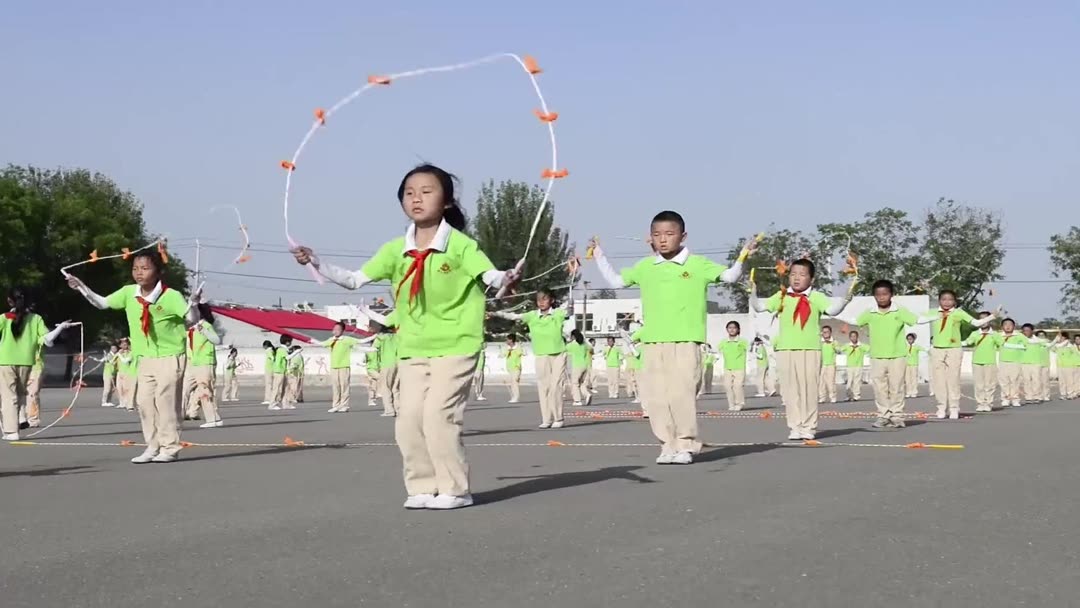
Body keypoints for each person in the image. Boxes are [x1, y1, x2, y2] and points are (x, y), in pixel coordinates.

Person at [291, 163, 519, 510]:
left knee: (438, 416)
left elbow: (489, 275)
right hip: (412, 348)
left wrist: (505, 278)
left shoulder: (461, 246)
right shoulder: (394, 250)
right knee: (409, 418)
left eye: (427, 192)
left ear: (446, 202)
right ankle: (422, 487)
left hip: (455, 344)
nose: (417, 199)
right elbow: (354, 279)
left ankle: (455, 489)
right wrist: (316, 262)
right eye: (409, 193)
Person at [590, 211, 754, 464]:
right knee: (655, 398)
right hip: (653, 342)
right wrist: (599, 255)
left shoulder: (697, 264)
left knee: (681, 395)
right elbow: (616, 282)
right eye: (657, 235)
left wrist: (743, 256)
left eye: (669, 234)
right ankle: (668, 445)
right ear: (651, 238)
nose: (663, 239)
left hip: (686, 340)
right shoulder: (646, 267)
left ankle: (686, 445)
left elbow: (730, 277)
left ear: (683, 236)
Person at [66, 251, 196, 462]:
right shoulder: (129, 293)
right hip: (144, 357)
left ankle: (169, 448)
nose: (139, 273)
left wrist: (195, 305)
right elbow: (102, 303)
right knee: (144, 402)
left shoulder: (171, 296)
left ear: (158, 271)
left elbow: (191, 318)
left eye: (145, 268)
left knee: (165, 402)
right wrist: (81, 287)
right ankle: (152, 447)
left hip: (170, 356)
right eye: (135, 268)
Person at [750, 259, 855, 440]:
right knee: (790, 390)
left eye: (802, 274)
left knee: (808, 389)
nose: (796, 278)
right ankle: (795, 426)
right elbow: (759, 307)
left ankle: (808, 426)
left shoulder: (816, 296)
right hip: (785, 349)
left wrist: (845, 298)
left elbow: (832, 311)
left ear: (811, 279)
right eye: (793, 274)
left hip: (810, 349)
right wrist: (752, 291)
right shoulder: (782, 295)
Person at [491, 288, 573, 429]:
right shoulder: (532, 316)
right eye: (538, 299)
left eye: (544, 299)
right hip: (541, 355)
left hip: (558, 354)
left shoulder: (557, 314)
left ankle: (558, 418)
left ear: (551, 300)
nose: (541, 302)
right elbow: (513, 316)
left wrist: (571, 303)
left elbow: (569, 311)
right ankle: (546, 419)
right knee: (544, 387)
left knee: (556, 386)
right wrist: (495, 313)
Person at [0, 287, 71, 440]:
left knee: (8, 396)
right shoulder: (36, 319)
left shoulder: (4, 318)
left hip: (5, 361)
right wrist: (59, 328)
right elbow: (48, 340)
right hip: (26, 362)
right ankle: (20, 420)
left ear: (9, 300)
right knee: (19, 394)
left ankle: (11, 431)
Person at [850, 280, 918, 429]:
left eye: (885, 294)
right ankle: (883, 415)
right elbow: (855, 321)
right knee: (879, 387)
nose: (881, 297)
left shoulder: (899, 311)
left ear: (891, 295)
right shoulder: (870, 312)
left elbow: (916, 320)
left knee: (896, 386)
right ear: (874, 296)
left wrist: (939, 316)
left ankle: (897, 416)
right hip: (877, 356)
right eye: (878, 295)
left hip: (897, 355)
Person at [921, 290, 997, 418]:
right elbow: (920, 320)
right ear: (939, 300)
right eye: (944, 299)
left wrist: (992, 316)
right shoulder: (933, 312)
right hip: (937, 349)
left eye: (950, 299)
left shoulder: (959, 313)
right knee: (938, 380)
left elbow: (975, 323)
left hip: (954, 349)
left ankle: (954, 407)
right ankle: (941, 407)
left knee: (953, 379)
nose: (946, 302)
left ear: (954, 301)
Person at [186, 303, 224, 427]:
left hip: (204, 363)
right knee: (206, 390)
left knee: (204, 390)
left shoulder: (205, 325)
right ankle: (216, 418)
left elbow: (216, 340)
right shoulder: (194, 328)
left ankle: (211, 419)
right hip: (197, 363)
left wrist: (203, 330)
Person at [320, 321, 363, 412]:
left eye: (338, 329)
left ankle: (344, 405)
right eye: (334, 329)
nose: (335, 331)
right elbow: (321, 344)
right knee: (336, 386)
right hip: (334, 366)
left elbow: (360, 341)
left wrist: (374, 337)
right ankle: (335, 405)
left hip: (344, 365)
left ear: (342, 331)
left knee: (344, 386)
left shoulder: (347, 339)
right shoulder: (331, 340)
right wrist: (307, 340)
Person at [962, 312, 1000, 412]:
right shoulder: (975, 333)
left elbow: (1002, 344)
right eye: (981, 319)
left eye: (986, 318)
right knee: (979, 384)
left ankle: (988, 403)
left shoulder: (995, 334)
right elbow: (967, 342)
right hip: (977, 362)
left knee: (990, 384)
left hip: (990, 362)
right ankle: (980, 403)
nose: (984, 321)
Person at [718, 321, 748, 411]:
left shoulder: (742, 341)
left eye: (734, 328)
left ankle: (739, 403)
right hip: (727, 367)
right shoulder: (723, 342)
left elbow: (750, 349)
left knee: (738, 386)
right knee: (727, 386)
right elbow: (718, 351)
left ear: (738, 329)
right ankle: (731, 404)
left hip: (739, 367)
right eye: (729, 327)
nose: (732, 329)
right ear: (727, 329)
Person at [997, 318, 1027, 407]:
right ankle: (1005, 398)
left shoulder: (1019, 336)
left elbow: (1025, 345)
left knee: (1015, 381)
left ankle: (1015, 398)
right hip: (1003, 361)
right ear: (1002, 326)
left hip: (1015, 361)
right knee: (1004, 381)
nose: (1008, 326)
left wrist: (1008, 345)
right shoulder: (998, 336)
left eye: (1010, 324)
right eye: (1005, 324)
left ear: (1014, 326)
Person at [374, 320, 400, 417]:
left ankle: (389, 410)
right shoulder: (398, 337)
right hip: (398, 363)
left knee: (386, 388)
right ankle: (398, 409)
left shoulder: (381, 337)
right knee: (396, 388)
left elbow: (374, 349)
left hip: (386, 363)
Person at [1019, 323, 1043, 404]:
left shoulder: (1038, 340)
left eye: (1028, 330)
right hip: (1024, 363)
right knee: (1026, 381)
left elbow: (1048, 345)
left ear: (1032, 331)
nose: (1026, 332)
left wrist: (1055, 341)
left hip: (1036, 363)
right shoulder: (1020, 340)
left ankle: (1037, 396)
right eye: (1024, 331)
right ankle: (1028, 397)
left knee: (1036, 380)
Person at [566, 330, 591, 405]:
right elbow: (590, 349)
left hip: (577, 366)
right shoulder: (584, 344)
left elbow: (563, 349)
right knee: (581, 383)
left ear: (573, 336)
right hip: (585, 365)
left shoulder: (572, 344)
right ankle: (587, 394)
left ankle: (577, 400)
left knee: (575, 383)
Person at [843, 331, 869, 402]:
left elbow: (869, 349)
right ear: (849, 337)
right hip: (849, 366)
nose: (853, 338)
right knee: (849, 381)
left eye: (854, 336)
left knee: (857, 381)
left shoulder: (861, 346)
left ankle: (856, 396)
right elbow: (839, 350)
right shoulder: (847, 345)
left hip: (858, 365)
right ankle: (848, 396)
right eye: (852, 336)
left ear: (857, 337)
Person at [819, 325, 840, 404]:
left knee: (830, 382)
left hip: (831, 364)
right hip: (822, 364)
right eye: (824, 332)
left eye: (827, 332)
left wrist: (833, 345)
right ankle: (822, 397)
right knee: (821, 382)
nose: (825, 334)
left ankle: (833, 397)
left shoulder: (834, 342)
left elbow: (839, 351)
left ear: (830, 332)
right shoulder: (820, 342)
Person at [116, 338, 138, 411]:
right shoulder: (132, 353)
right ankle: (128, 405)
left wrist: (119, 354)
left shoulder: (133, 353)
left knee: (131, 389)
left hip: (133, 373)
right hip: (130, 372)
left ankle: (132, 405)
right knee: (126, 389)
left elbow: (125, 361)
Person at [26, 342, 45, 428]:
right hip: (18, 364)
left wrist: (60, 327)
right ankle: (21, 417)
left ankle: (33, 419)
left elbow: (48, 340)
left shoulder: (37, 328)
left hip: (35, 366)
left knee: (32, 393)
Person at [504, 335, 524, 403]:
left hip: (516, 367)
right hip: (510, 368)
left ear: (511, 340)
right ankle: (514, 396)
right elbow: (503, 354)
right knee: (512, 383)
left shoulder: (518, 347)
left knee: (515, 382)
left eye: (507, 340)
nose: (506, 341)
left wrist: (515, 349)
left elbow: (520, 353)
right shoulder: (507, 348)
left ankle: (516, 397)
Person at [284, 345, 305, 409]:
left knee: (293, 386)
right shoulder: (299, 356)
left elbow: (294, 365)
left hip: (295, 373)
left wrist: (290, 370)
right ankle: (299, 398)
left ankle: (293, 398)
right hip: (299, 373)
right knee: (298, 387)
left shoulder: (296, 356)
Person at [904, 333, 923, 399]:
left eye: (911, 339)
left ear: (913, 339)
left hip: (914, 364)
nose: (909, 340)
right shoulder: (905, 346)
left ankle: (914, 392)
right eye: (908, 339)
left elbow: (923, 349)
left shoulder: (916, 346)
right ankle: (908, 392)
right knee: (907, 379)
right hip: (907, 364)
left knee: (914, 378)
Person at [1035, 330, 1052, 402]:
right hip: (1036, 364)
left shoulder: (1048, 342)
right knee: (1037, 381)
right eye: (1039, 335)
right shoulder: (1034, 343)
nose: (1041, 336)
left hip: (1045, 364)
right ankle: (1039, 396)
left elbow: (1054, 348)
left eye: (1043, 335)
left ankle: (1046, 396)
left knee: (1045, 381)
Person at [261, 340, 275, 405]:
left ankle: (268, 399)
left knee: (268, 384)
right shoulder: (272, 350)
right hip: (272, 369)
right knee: (271, 384)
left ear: (266, 346)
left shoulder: (268, 351)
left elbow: (272, 358)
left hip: (269, 369)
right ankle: (272, 398)